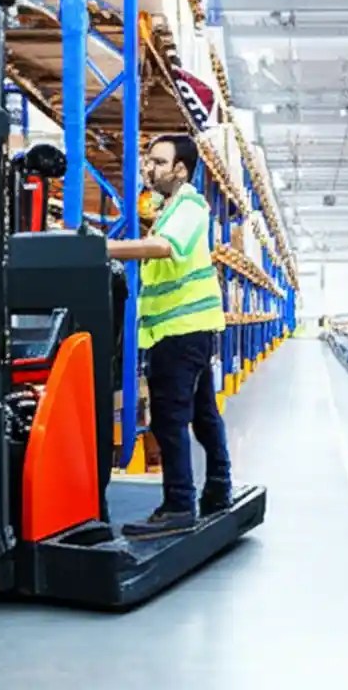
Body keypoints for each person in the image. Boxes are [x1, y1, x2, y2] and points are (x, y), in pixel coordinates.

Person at [106, 134, 231, 538]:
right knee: (204, 414)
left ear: (180, 169)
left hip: (180, 332)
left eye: (159, 162)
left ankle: (180, 503)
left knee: (169, 418)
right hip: (183, 331)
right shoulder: (171, 207)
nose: (150, 168)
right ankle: (218, 489)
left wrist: (101, 249)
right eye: (149, 161)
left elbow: (162, 248)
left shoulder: (190, 206)